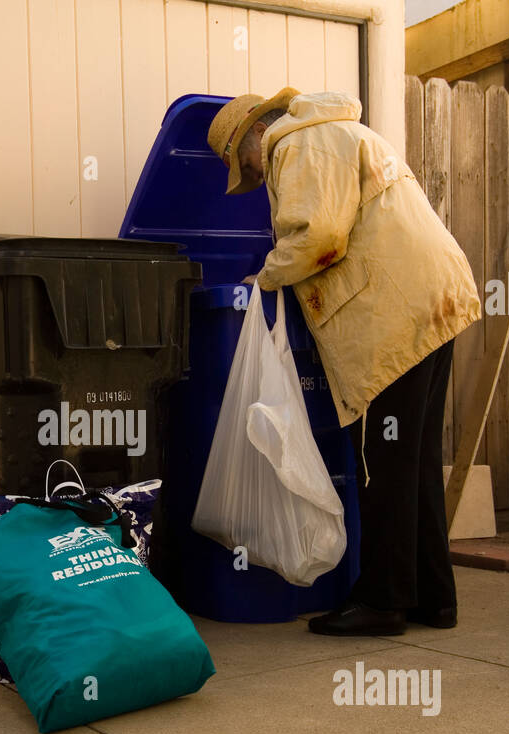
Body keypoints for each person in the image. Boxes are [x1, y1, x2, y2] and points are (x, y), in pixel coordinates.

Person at [207, 88, 482, 636]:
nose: (255, 178)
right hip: (433, 299)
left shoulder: (299, 143)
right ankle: (433, 597)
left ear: (256, 135)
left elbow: (320, 237)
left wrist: (265, 276)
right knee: (415, 461)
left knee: (380, 463)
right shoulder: (339, 132)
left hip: (394, 311)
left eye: (246, 166)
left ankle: (382, 602)